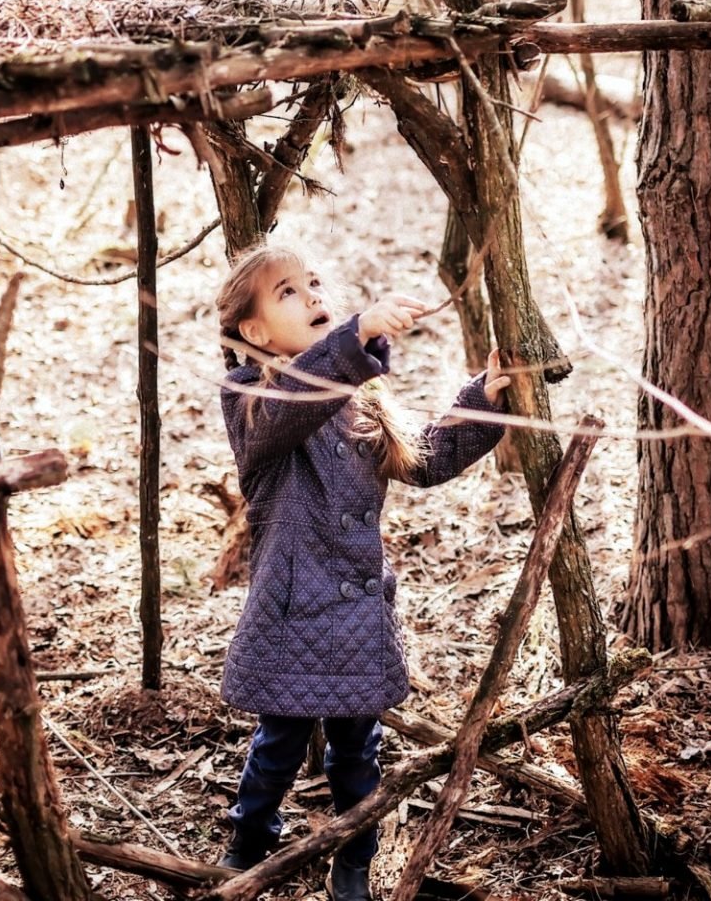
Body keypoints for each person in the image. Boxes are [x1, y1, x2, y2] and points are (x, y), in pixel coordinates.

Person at [213, 244, 511, 901]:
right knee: (279, 744)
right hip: (292, 609)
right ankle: (248, 840)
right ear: (255, 331)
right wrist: (354, 338)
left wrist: (479, 402)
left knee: (359, 749)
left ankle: (356, 855)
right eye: (288, 291)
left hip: (353, 611)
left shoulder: (359, 400)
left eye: (316, 281)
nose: (314, 294)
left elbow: (425, 460)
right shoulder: (251, 399)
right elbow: (294, 404)